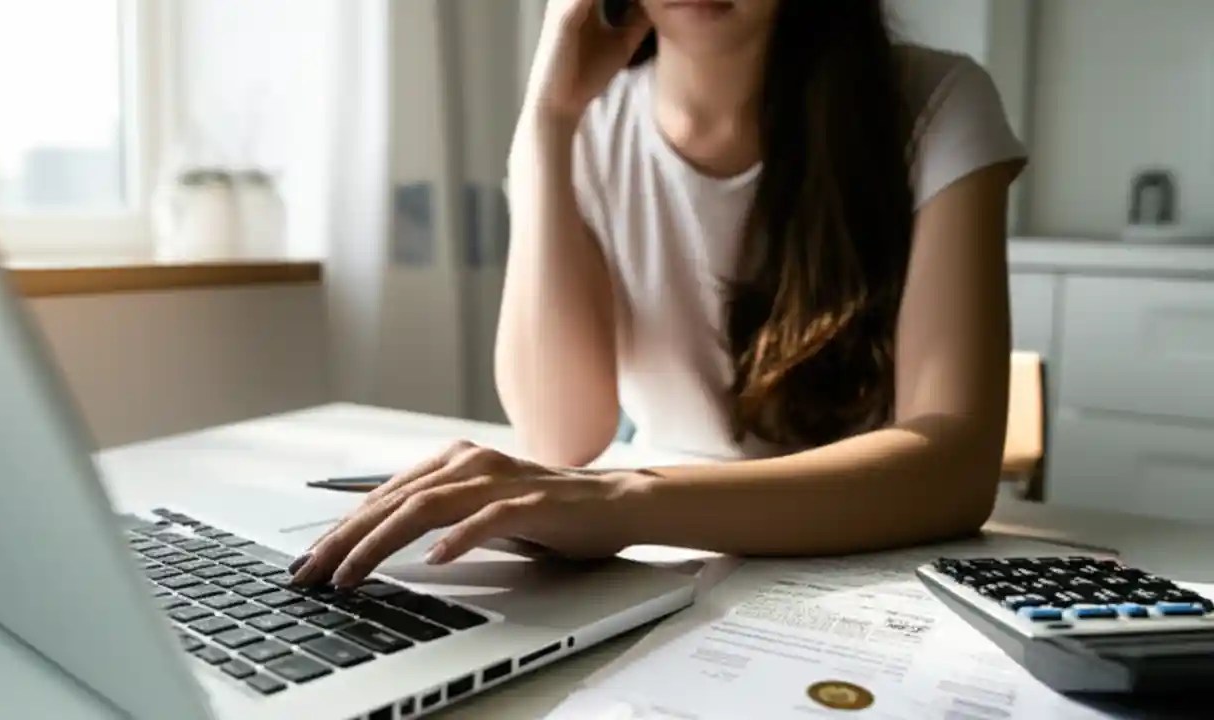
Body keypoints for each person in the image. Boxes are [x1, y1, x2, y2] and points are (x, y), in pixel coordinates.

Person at [292, 0, 1028, 590]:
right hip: (672, 561)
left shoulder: (938, 105)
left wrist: (626, 502)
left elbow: (954, 469)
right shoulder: (592, 125)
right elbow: (562, 432)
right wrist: (547, 121)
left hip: (864, 567)